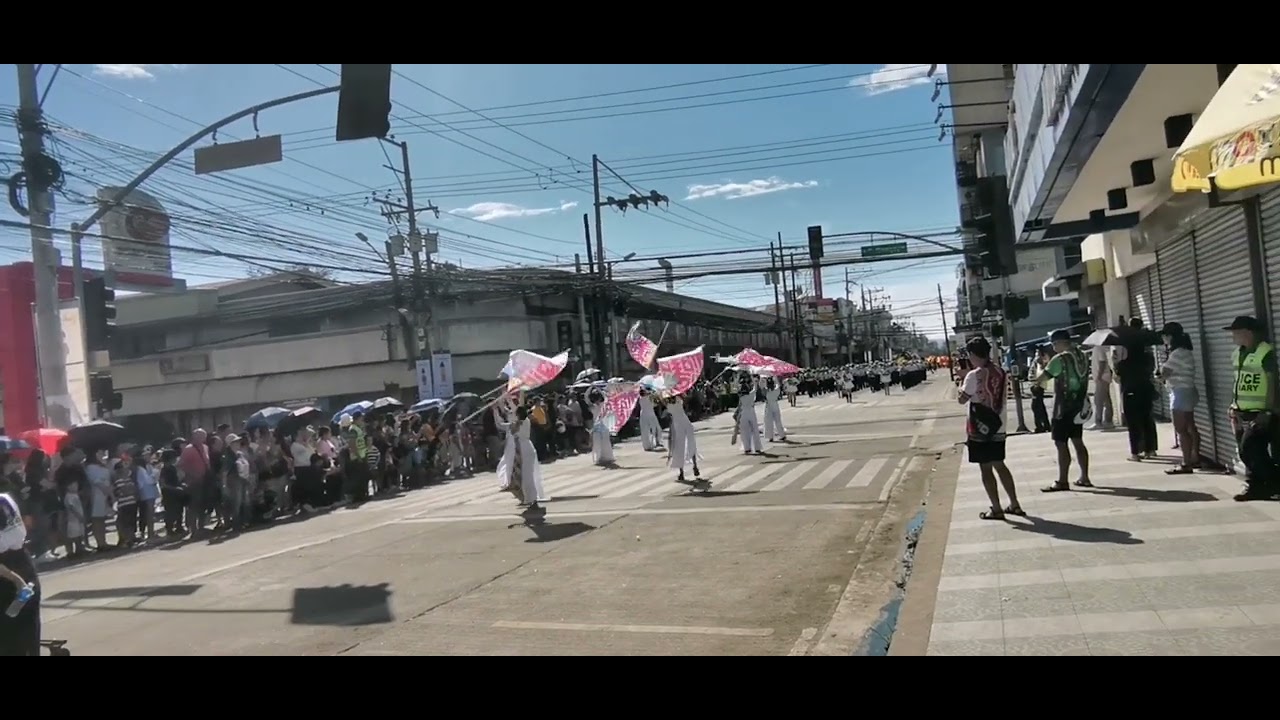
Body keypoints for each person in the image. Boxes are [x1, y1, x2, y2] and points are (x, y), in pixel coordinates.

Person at [958, 337, 1023, 520]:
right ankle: (1014, 503)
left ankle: (996, 508)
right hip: (999, 425)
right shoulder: (1000, 371)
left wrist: (961, 381)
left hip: (980, 429)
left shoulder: (973, 375)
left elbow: (962, 399)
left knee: (986, 469)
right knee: (1000, 465)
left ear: (972, 355)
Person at [1224, 316, 1280, 501]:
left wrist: (1267, 411)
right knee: (1245, 451)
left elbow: (1272, 383)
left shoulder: (1265, 353)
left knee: (1250, 448)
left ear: (1247, 333)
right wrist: (1233, 405)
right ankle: (1257, 487)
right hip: (1242, 412)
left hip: (1261, 412)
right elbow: (1238, 382)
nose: (1232, 336)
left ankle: (1273, 483)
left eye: (1235, 333)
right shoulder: (1237, 353)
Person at [1037, 329, 1093, 492]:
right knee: (1078, 441)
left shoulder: (1060, 359)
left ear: (1062, 343)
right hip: (1078, 405)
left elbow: (1041, 379)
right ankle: (1085, 476)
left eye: (1055, 344)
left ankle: (1062, 480)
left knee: (1061, 443)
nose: (1054, 347)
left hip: (1062, 407)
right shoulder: (1082, 356)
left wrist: (1041, 366)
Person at [0, 489, 40, 656]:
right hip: (23, 561)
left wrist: (16, 580)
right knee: (29, 625)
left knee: (10, 633)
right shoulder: (5, 498)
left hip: (6, 574)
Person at [1159, 322, 1201, 474]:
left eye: (1164, 335)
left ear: (1170, 336)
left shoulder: (1177, 353)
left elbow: (1164, 374)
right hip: (1188, 390)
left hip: (1179, 393)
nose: (1163, 338)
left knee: (1181, 429)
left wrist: (1159, 375)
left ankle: (1186, 463)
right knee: (1190, 426)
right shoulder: (1186, 351)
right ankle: (1195, 457)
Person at [495, 400, 548, 514]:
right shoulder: (522, 421)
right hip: (523, 449)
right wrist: (497, 408)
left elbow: (504, 425)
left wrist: (498, 409)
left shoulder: (521, 423)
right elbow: (501, 425)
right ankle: (527, 497)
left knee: (527, 475)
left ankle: (531, 499)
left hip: (524, 449)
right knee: (523, 475)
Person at [665, 393, 702, 484]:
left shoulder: (668, 401)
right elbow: (686, 400)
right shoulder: (678, 397)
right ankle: (694, 466)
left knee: (679, 447)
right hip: (683, 422)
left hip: (678, 425)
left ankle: (683, 471)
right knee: (689, 443)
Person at [736, 372, 763, 454]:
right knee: (755, 430)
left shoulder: (741, 396)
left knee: (744, 431)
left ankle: (747, 448)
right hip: (751, 411)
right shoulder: (751, 395)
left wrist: (738, 377)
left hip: (743, 413)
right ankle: (757, 447)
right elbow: (755, 388)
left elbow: (737, 387)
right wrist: (753, 378)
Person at [586, 389, 614, 466]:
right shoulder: (593, 407)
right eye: (596, 398)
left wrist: (598, 389)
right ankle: (598, 458)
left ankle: (607, 457)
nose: (597, 400)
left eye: (598, 398)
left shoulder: (603, 405)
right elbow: (586, 399)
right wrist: (590, 388)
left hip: (604, 425)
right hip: (597, 425)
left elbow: (606, 397)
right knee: (597, 443)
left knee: (606, 442)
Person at [762, 376, 787, 442]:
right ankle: (782, 435)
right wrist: (775, 377)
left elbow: (762, 388)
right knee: (778, 421)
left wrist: (763, 379)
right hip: (775, 405)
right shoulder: (776, 390)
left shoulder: (766, 391)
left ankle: (770, 437)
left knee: (768, 422)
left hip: (769, 406)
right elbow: (778, 385)